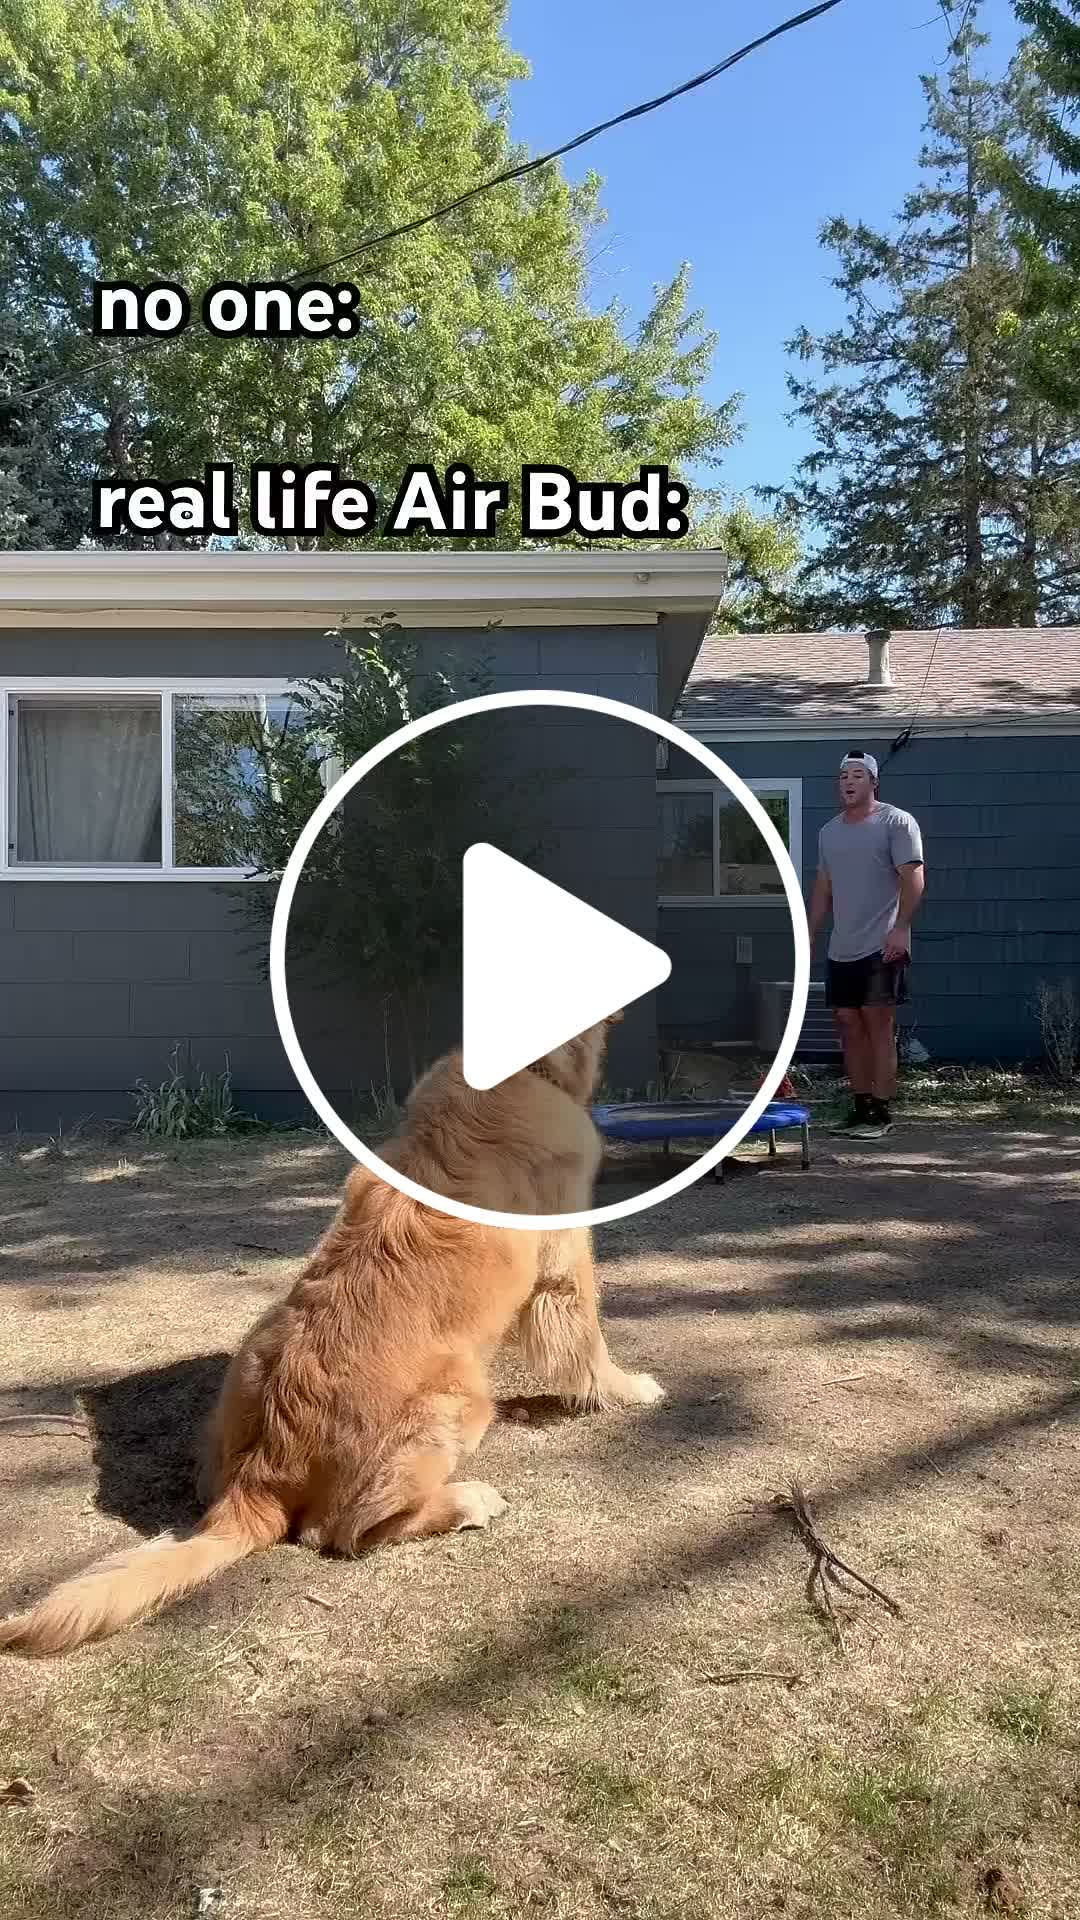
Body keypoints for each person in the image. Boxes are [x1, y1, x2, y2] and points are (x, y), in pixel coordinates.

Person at [807, 749, 925, 1140]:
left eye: (858, 775)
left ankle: (881, 1110)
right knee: (847, 1023)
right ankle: (859, 1106)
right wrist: (809, 933)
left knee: (878, 1022)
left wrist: (901, 928)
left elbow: (913, 879)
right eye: (844, 776)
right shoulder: (829, 831)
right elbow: (824, 887)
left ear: (874, 782)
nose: (849, 782)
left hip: (882, 943)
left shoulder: (896, 822)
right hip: (843, 945)